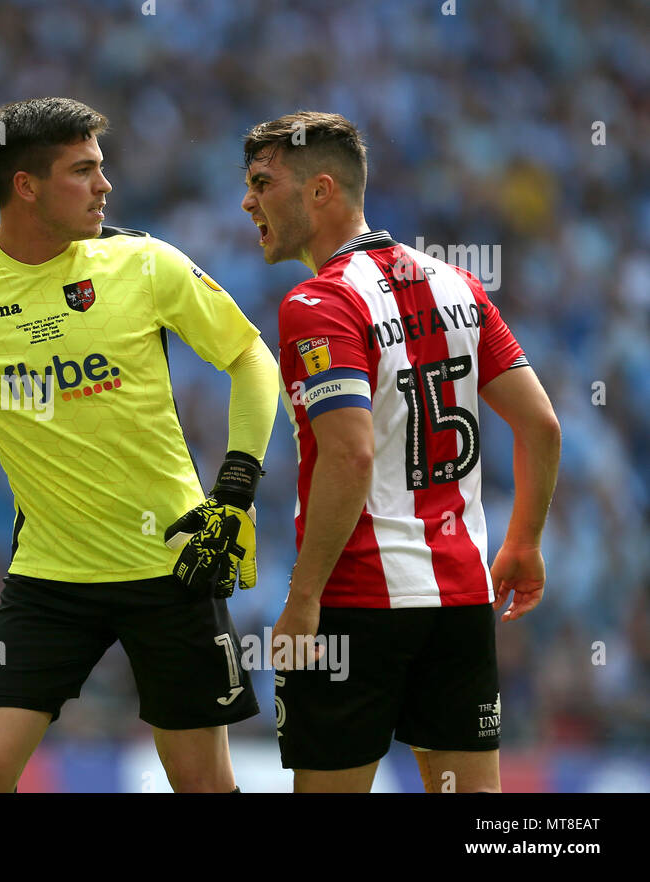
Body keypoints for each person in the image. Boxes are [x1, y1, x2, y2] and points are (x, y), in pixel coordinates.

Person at [0, 97, 281, 793]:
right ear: (26, 186)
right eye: (83, 170)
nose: (105, 186)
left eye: (101, 168)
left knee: (204, 786)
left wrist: (234, 491)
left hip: (174, 562)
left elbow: (250, 356)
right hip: (50, 580)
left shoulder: (144, 263)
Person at [239, 111, 562, 792]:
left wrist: (302, 599)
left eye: (263, 184)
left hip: (356, 603)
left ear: (320, 190)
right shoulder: (459, 285)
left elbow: (350, 457)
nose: (248, 202)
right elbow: (541, 425)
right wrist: (524, 542)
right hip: (459, 599)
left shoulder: (317, 303)